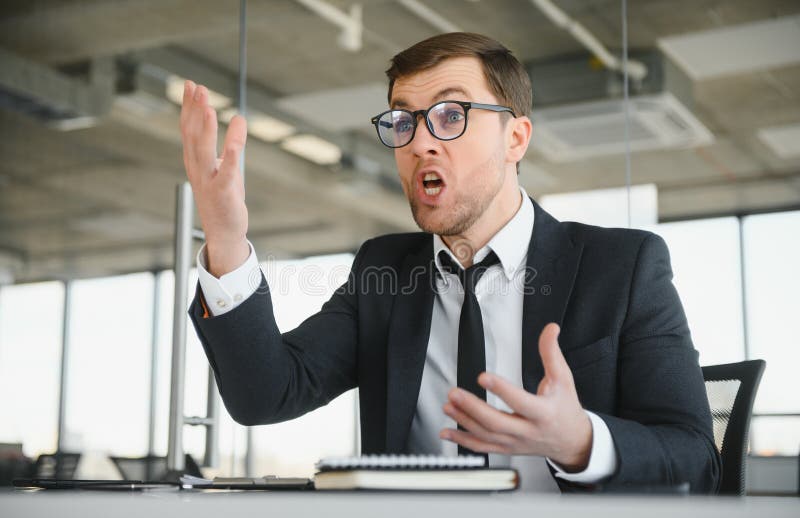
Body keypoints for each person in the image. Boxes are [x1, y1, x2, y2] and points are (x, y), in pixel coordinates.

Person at [180, 32, 720, 493]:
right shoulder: (383, 272)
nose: (420, 143)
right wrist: (226, 241)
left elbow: (696, 458)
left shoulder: (623, 266)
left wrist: (580, 442)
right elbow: (266, 394)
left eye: (450, 115)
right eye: (403, 121)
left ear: (515, 138)